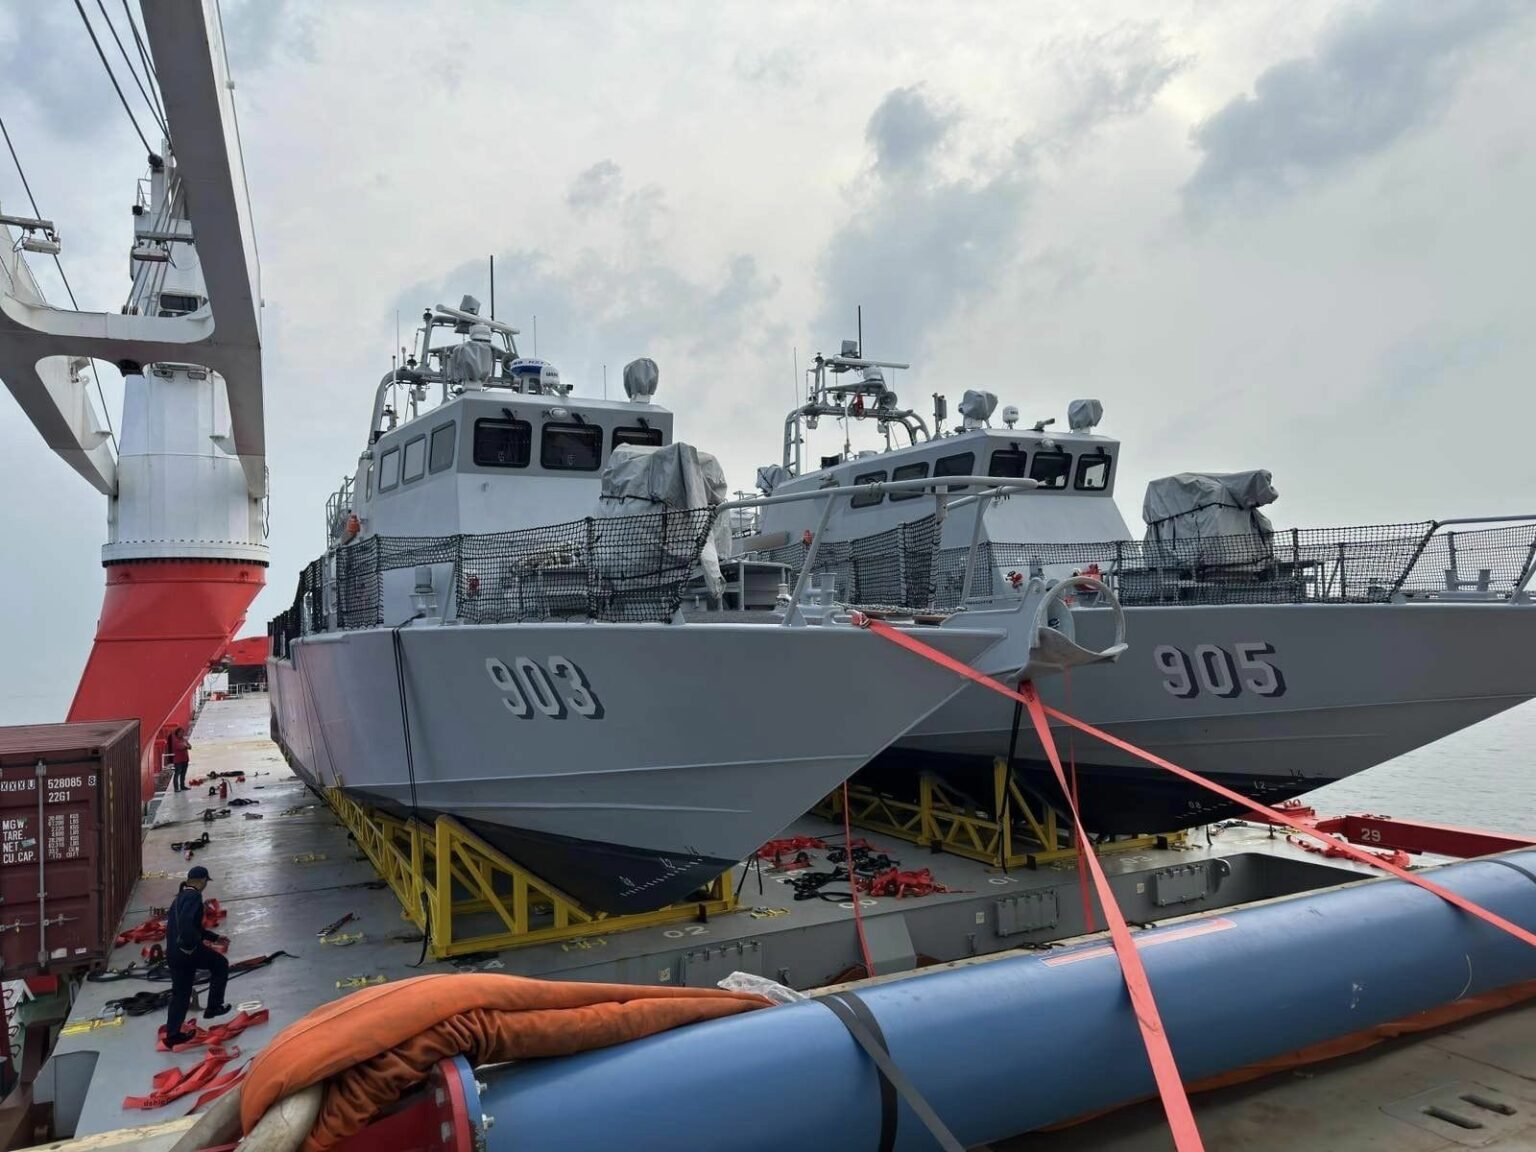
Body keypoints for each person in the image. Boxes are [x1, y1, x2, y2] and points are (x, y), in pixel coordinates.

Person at [164, 865, 231, 1046]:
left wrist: (214, 937)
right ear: (202, 881)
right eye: (206, 882)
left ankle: (172, 1036)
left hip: (173, 954)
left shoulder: (178, 899)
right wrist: (191, 946)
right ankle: (213, 1007)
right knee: (220, 965)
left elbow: (190, 926)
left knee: (181, 994)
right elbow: (187, 924)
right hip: (187, 951)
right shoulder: (194, 896)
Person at [168, 727, 191, 792]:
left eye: (183, 732)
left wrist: (186, 746)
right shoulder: (175, 741)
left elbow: (189, 746)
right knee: (177, 774)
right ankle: (176, 788)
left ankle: (182, 786)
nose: (182, 734)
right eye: (181, 732)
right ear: (177, 733)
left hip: (185, 759)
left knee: (183, 774)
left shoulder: (184, 740)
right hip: (178, 761)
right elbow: (181, 747)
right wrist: (186, 746)